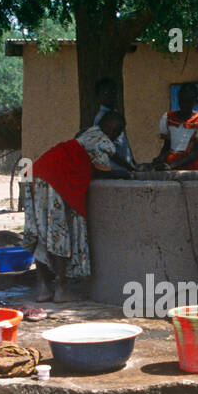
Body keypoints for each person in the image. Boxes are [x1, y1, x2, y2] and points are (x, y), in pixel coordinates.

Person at [24, 111, 126, 302]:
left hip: (37, 173)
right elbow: (104, 171)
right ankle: (61, 289)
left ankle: (43, 288)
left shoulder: (89, 133)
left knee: (42, 232)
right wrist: (127, 174)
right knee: (58, 233)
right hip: (56, 181)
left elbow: (112, 159)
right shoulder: (102, 142)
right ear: (113, 130)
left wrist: (129, 166)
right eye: (118, 132)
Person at [152, 82, 198, 171]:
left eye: (189, 101)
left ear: (196, 101)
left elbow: (196, 152)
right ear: (178, 99)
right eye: (182, 100)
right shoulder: (168, 118)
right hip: (171, 160)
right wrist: (160, 158)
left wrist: (172, 166)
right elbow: (166, 146)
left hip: (193, 162)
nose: (185, 104)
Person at [91, 78, 138, 173]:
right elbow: (106, 148)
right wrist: (129, 166)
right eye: (105, 93)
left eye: (113, 92)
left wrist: (132, 162)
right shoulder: (102, 118)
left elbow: (123, 143)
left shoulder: (114, 114)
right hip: (114, 170)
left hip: (124, 168)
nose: (110, 96)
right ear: (98, 96)